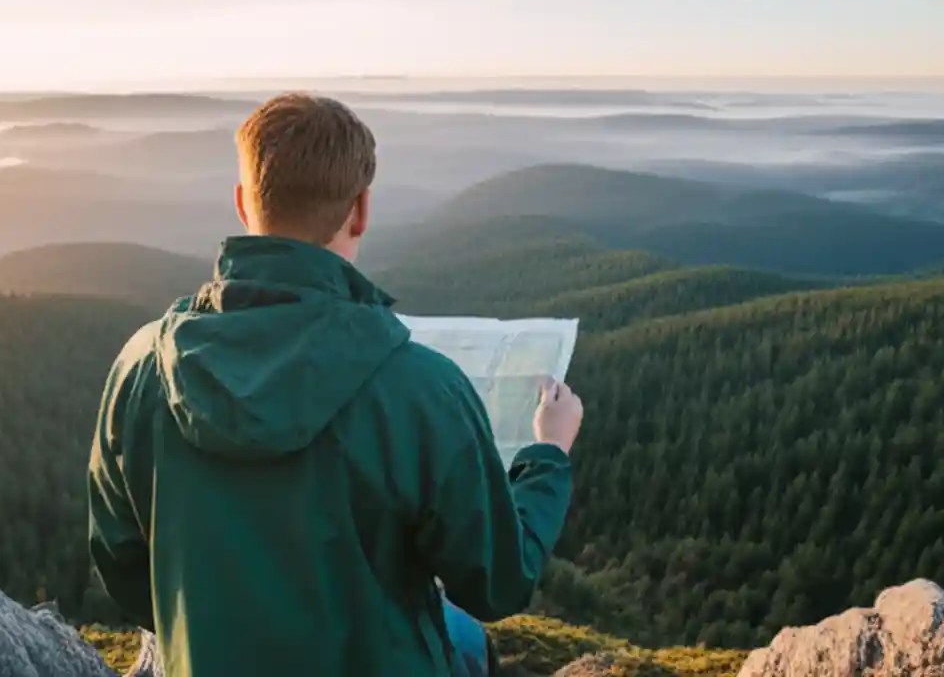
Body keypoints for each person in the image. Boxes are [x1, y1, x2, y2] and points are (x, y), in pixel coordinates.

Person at [87, 92, 583, 677]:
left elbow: (121, 564)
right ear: (361, 210)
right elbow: (498, 582)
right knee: (468, 641)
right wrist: (548, 456)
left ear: (244, 205)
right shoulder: (423, 388)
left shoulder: (142, 367)